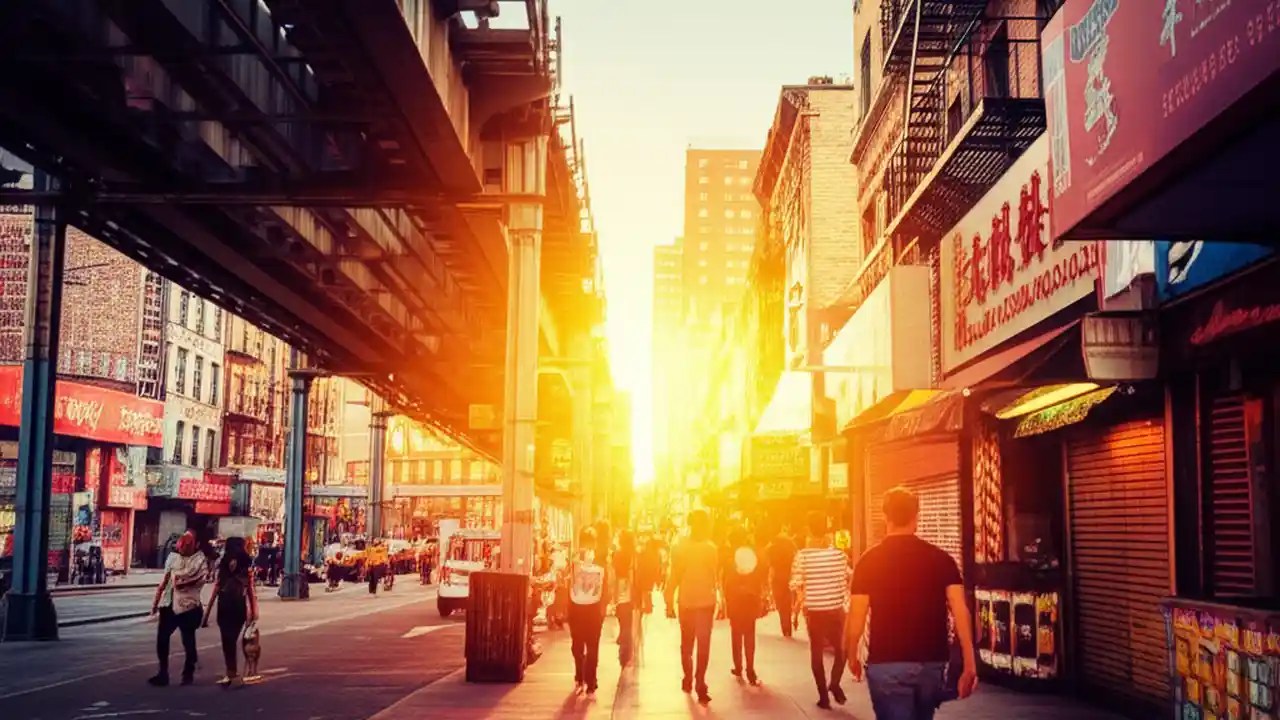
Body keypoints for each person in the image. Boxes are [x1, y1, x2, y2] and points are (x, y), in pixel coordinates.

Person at [847, 487, 978, 720]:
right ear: (916, 517)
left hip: (886, 663)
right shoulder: (942, 559)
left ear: (885, 517)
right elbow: (961, 612)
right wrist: (970, 663)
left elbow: (856, 618)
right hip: (931, 663)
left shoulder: (868, 562)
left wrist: (851, 654)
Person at [791, 512, 851, 710]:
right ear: (826, 529)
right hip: (836, 610)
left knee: (816, 654)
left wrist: (798, 607)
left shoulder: (802, 556)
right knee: (842, 651)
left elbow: (796, 584)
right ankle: (834, 683)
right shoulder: (839, 555)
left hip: (814, 612)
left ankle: (823, 697)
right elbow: (849, 576)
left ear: (808, 530)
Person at [664, 509, 718, 704]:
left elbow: (674, 576)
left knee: (687, 644)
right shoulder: (711, 548)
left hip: (687, 602)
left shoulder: (680, 547)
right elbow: (714, 577)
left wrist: (668, 600)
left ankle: (689, 678)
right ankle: (700, 682)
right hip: (705, 602)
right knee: (703, 645)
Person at [148, 531, 208, 686]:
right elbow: (166, 580)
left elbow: (195, 581)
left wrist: (180, 581)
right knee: (162, 638)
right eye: (182, 545)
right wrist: (156, 601)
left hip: (189, 606)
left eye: (188, 544)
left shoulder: (200, 562)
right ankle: (163, 673)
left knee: (188, 639)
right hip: (169, 604)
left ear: (196, 545)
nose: (183, 548)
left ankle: (188, 670)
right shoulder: (173, 558)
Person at [202, 536, 259, 687]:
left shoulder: (224, 564)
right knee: (233, 638)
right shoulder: (245, 565)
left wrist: (206, 614)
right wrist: (253, 610)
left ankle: (231, 671)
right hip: (238, 605)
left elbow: (216, 588)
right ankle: (232, 673)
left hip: (224, 604)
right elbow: (250, 590)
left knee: (227, 640)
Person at [723, 526, 765, 685]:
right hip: (750, 599)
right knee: (749, 634)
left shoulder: (729, 559)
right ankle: (750, 669)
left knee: (736, 634)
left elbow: (726, 582)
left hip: (735, 601)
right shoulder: (752, 555)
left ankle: (738, 666)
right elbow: (759, 575)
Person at [568, 526, 606, 696]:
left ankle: (581, 676)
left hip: (576, 609)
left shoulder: (574, 560)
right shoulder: (600, 560)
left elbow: (566, 582)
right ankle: (590, 680)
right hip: (593, 610)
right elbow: (606, 584)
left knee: (578, 644)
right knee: (592, 645)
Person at [612, 530, 637, 667]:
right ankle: (626, 651)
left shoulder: (617, 554)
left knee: (623, 620)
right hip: (630, 588)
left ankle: (624, 647)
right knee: (628, 622)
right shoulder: (633, 554)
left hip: (620, 587)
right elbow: (633, 573)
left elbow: (613, 574)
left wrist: (613, 593)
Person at [768, 527, 798, 638]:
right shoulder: (791, 549)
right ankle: (788, 626)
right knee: (788, 603)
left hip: (777, 579)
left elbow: (771, 566)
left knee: (781, 605)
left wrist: (769, 579)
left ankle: (784, 627)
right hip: (790, 577)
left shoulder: (772, 549)